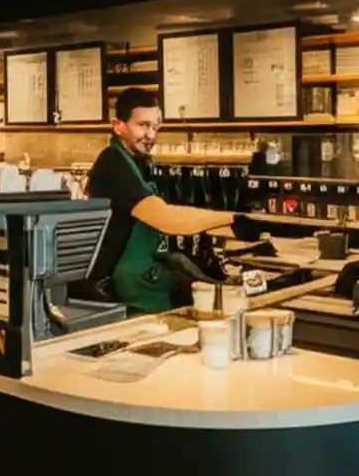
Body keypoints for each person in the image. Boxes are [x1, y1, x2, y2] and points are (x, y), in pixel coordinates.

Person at [83, 88, 255, 313]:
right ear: (118, 126)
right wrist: (233, 218)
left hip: (142, 276)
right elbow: (165, 218)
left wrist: (246, 227)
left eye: (155, 127)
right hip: (121, 286)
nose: (150, 135)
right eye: (143, 125)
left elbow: (179, 216)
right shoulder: (113, 163)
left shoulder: (140, 162)